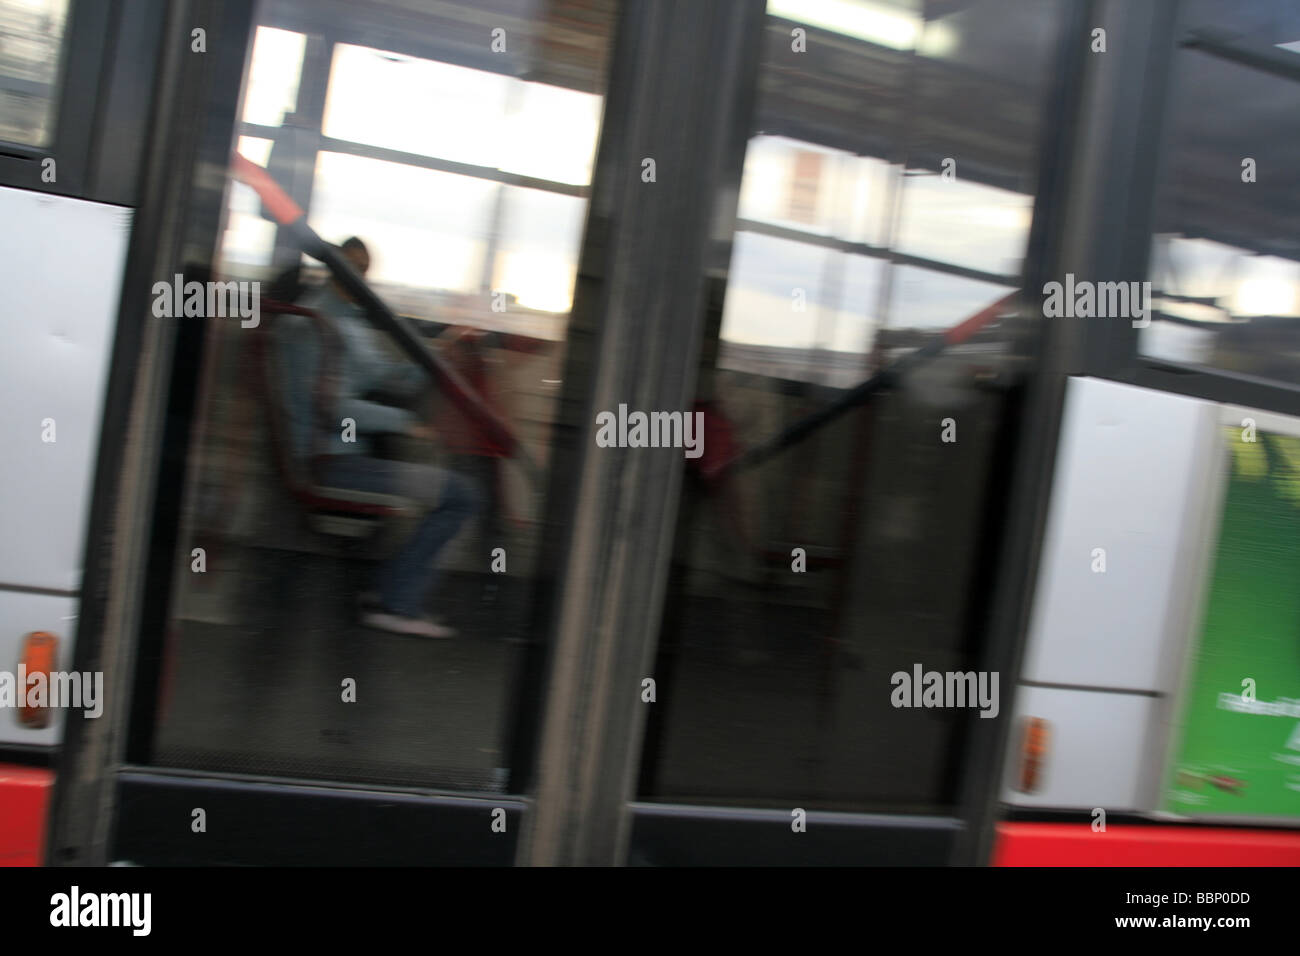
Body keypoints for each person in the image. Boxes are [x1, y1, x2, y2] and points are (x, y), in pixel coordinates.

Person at [275, 237, 483, 638]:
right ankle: (396, 603)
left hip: (346, 457)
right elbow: (331, 409)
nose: (360, 278)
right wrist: (404, 422)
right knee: (462, 497)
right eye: (352, 267)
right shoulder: (311, 326)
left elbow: (385, 375)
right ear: (336, 269)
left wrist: (439, 352)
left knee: (455, 489)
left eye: (363, 269)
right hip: (330, 463)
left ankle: (392, 592)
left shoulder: (346, 322)